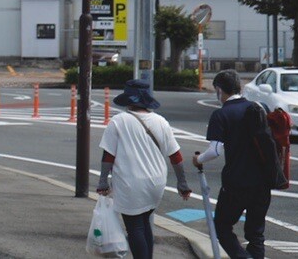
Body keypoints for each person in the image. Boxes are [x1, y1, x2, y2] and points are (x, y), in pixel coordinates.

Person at [97, 78, 192, 259]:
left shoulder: (118, 121)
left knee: (134, 228)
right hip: (156, 183)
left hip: (130, 183)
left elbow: (108, 157)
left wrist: (102, 182)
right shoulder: (161, 121)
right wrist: (182, 184)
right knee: (144, 223)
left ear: (128, 100)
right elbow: (176, 156)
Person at [193, 69, 273, 259]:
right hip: (263, 181)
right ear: (240, 87)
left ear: (219, 90)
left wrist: (198, 160)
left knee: (222, 225)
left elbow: (214, 151)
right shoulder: (256, 108)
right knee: (256, 234)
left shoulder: (222, 114)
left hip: (237, 182)